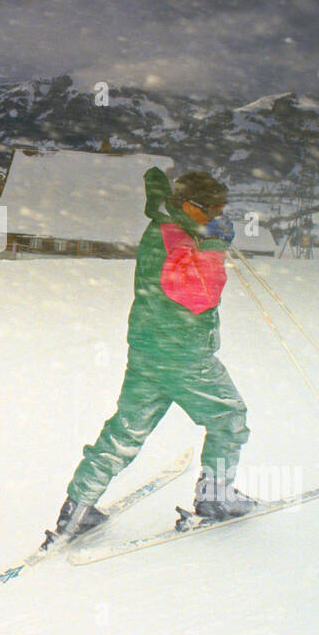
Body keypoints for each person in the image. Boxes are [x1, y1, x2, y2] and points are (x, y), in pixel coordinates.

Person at [48, 168, 257, 545]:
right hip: (184, 354)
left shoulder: (166, 226)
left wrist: (204, 238)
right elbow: (200, 296)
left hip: (148, 351)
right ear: (191, 206)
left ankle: (77, 509)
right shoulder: (174, 237)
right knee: (229, 417)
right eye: (212, 208)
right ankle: (216, 499)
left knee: (125, 431)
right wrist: (214, 247)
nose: (218, 215)